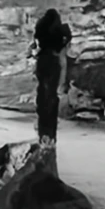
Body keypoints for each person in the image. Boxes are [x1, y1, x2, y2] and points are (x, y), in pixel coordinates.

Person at [29, 8, 72, 144]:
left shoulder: (41, 25)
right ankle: (51, 134)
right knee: (52, 95)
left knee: (42, 93)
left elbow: (36, 39)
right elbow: (67, 37)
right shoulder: (59, 28)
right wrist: (61, 45)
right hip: (53, 60)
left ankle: (42, 132)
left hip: (42, 60)